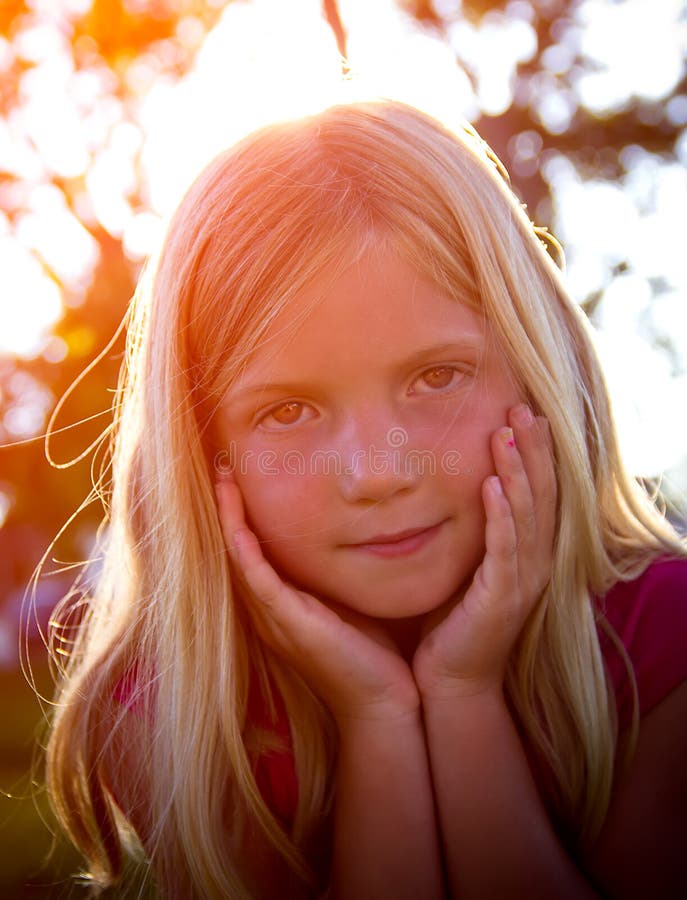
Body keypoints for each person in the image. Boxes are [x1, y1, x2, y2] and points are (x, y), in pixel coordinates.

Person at [45, 99, 687, 899]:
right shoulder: (168, 711)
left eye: (436, 377)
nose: (376, 473)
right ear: (203, 452)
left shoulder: (665, 636)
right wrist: (378, 720)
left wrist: (462, 696)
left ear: (537, 365)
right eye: (287, 411)